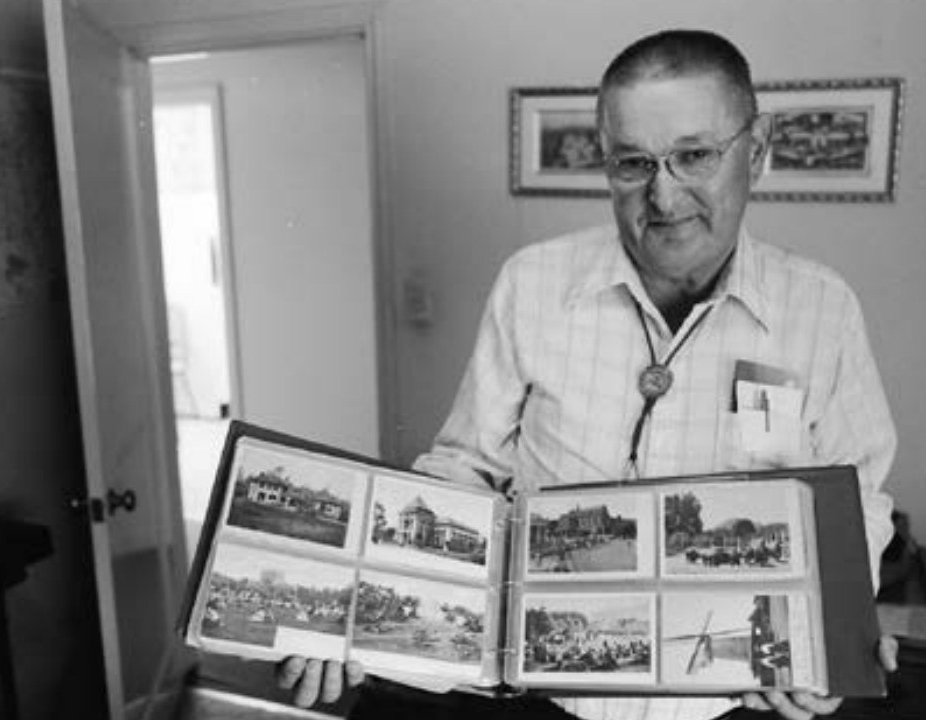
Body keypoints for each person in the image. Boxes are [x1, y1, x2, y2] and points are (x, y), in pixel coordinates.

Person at [274, 28, 899, 720]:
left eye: (694, 156)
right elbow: (464, 469)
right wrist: (352, 608)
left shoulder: (823, 308)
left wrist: (830, 640)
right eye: (633, 163)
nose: (664, 197)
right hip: (543, 703)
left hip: (730, 706)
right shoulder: (531, 283)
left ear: (757, 151)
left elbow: (859, 502)